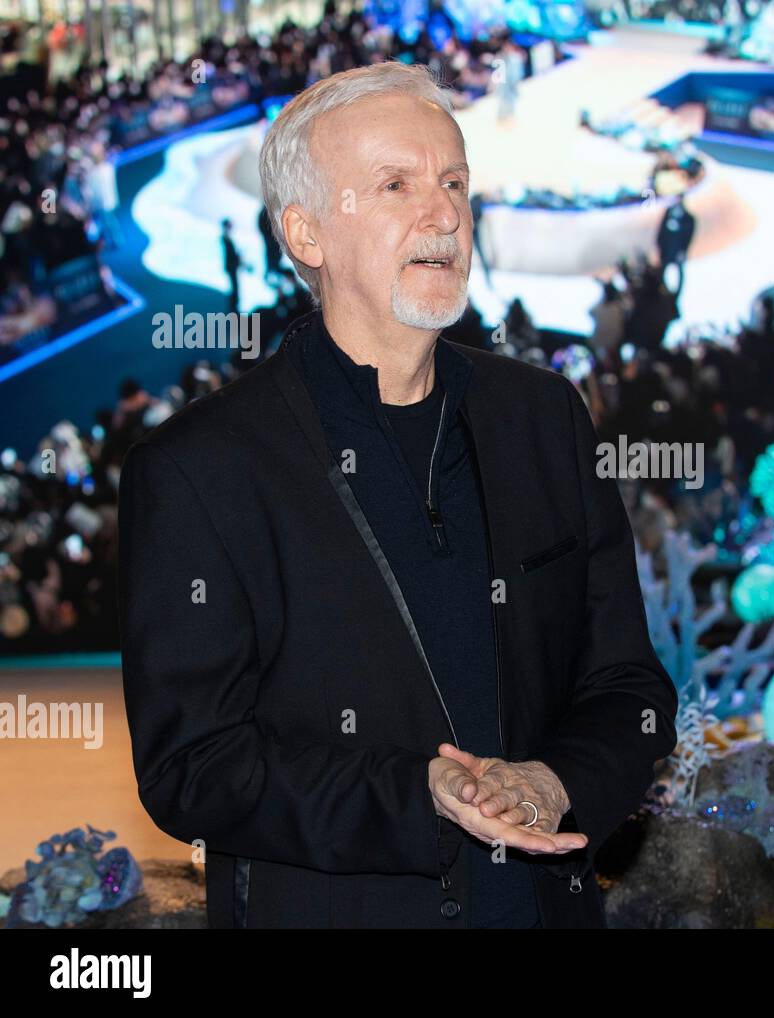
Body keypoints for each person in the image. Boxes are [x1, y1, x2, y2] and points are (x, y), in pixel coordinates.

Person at [117, 60, 677, 930]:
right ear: (305, 235)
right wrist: (417, 793)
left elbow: (629, 688)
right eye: (396, 184)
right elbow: (193, 766)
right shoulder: (200, 468)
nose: (445, 212)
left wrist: (556, 779)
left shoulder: (545, 419)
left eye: (455, 181)